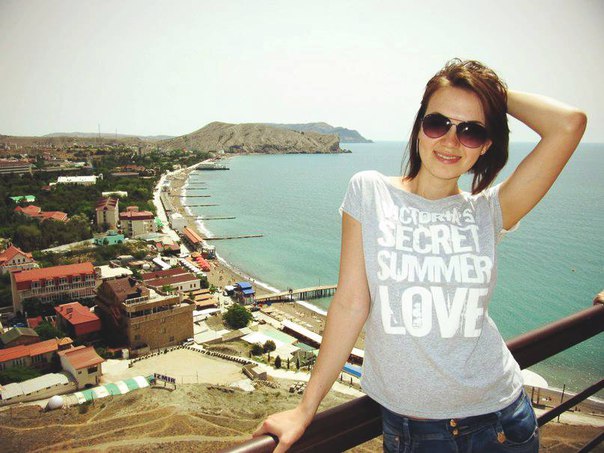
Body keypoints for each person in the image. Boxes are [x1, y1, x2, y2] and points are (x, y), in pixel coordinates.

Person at [253, 59, 586, 452]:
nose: (450, 141)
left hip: (500, 421)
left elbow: (569, 124)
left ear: (486, 145)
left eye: (471, 131)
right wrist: (306, 408)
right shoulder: (369, 192)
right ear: (418, 128)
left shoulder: (489, 211)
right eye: (437, 123)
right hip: (413, 432)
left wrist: (488, 92)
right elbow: (350, 303)